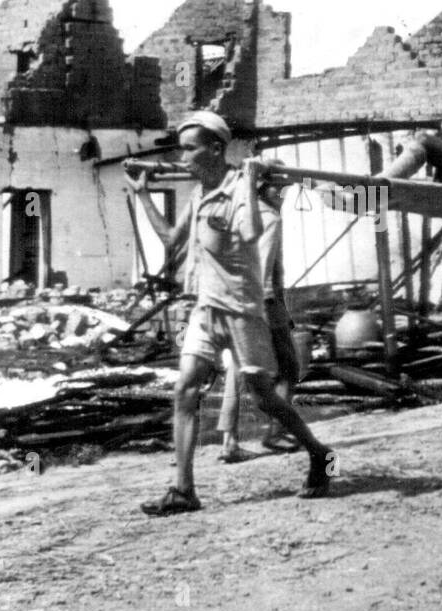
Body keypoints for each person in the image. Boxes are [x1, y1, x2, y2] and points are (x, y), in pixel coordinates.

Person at [126, 110, 334, 515]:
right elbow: (171, 240)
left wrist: (251, 186)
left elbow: (251, 235)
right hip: (207, 309)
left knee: (264, 399)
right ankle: (182, 489)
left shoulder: (241, 186)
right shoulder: (199, 192)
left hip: (242, 310)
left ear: (215, 149)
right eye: (181, 149)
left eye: (190, 149)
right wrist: (142, 194)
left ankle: (318, 453)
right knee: (185, 389)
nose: (183, 157)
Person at [218, 173, 302, 462]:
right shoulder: (270, 219)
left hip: (232, 299)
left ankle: (229, 440)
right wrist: (269, 308)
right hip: (262, 301)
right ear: (269, 190)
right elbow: (263, 267)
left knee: (239, 369)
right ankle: (277, 430)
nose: (284, 195)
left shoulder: (238, 215)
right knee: (288, 368)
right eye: (281, 189)